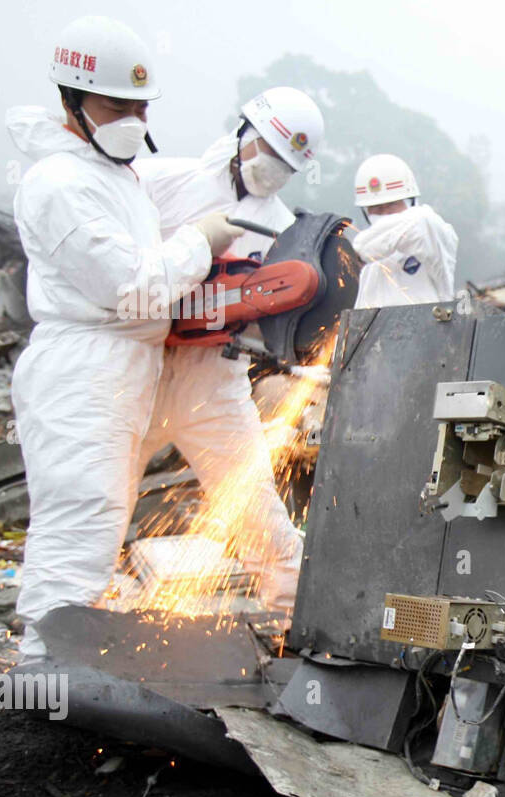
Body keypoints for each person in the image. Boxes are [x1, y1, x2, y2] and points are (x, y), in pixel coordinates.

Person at [7, 15, 242, 662]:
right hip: (81, 368)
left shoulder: (114, 176)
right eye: (118, 105)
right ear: (71, 99)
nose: (133, 118)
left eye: (141, 106)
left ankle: (65, 667)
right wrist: (200, 241)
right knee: (80, 518)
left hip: (119, 366)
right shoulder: (59, 183)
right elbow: (130, 285)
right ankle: (45, 674)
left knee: (100, 518)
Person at [134, 87, 325, 616]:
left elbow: (286, 321)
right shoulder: (162, 181)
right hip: (143, 366)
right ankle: (75, 618)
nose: (271, 169)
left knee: (254, 501)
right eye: (268, 151)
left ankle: (292, 620)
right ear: (246, 133)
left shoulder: (286, 230)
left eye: (286, 165)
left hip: (216, 377)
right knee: (104, 494)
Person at [351, 153, 458, 307]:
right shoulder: (369, 266)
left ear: (411, 201)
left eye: (392, 204)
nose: (385, 214)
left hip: (427, 328)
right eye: (376, 208)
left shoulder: (433, 233)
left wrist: (358, 252)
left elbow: (422, 221)